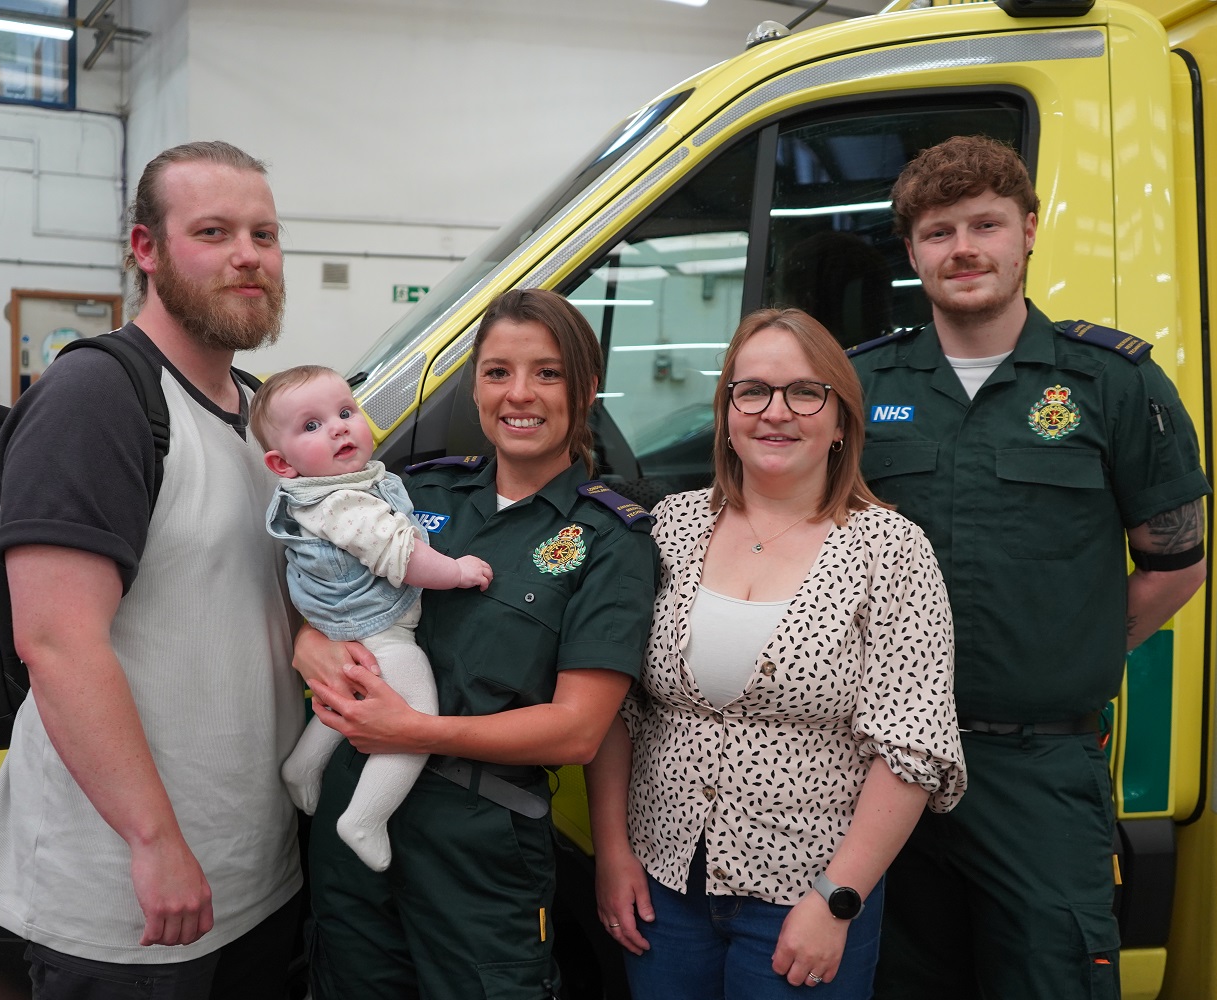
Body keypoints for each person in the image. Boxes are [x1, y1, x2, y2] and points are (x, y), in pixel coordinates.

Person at [850, 135, 1210, 1000]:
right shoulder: (862, 387)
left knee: (1052, 981)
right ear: (913, 252)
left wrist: (1075, 647)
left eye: (986, 223)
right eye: (939, 232)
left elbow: (1176, 563)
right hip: (877, 768)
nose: (963, 247)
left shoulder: (1114, 383)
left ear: (1030, 232)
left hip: (1038, 771)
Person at [0, 141, 305, 999]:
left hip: (252, 877)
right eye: (214, 231)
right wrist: (155, 842)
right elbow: (56, 642)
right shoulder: (102, 398)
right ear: (146, 249)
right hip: (125, 897)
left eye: (263, 235)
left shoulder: (261, 416)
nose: (247, 257)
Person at [294, 288, 660, 1000]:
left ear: (586, 388)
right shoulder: (408, 494)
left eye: (547, 373)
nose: (518, 394)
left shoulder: (609, 540)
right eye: (497, 372)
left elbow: (580, 729)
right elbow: (310, 580)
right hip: (347, 818)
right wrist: (305, 642)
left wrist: (415, 730)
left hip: (478, 844)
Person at [588, 307, 966, 999]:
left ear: (842, 419)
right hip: (661, 887)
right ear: (728, 411)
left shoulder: (890, 550)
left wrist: (837, 898)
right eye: (752, 390)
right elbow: (619, 706)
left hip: (806, 895)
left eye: (804, 392)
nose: (775, 412)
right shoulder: (667, 528)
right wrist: (612, 853)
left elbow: (911, 748)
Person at [249, 364, 493, 872]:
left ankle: (301, 767)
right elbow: (404, 559)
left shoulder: (328, 489)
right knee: (415, 715)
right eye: (312, 426)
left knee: (349, 697)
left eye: (345, 412)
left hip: (350, 625)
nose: (338, 427)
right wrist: (459, 571)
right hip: (378, 627)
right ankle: (364, 818)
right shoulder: (344, 503)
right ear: (281, 463)